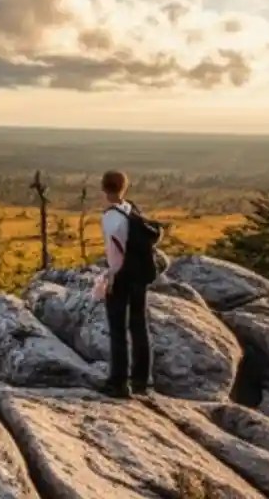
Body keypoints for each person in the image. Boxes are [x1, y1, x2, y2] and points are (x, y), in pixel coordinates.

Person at [99, 169, 156, 398]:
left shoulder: (111, 216)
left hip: (121, 275)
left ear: (104, 189)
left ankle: (118, 382)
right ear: (124, 187)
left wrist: (110, 276)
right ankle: (142, 381)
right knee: (139, 326)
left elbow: (115, 252)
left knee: (117, 329)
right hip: (140, 275)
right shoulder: (131, 209)